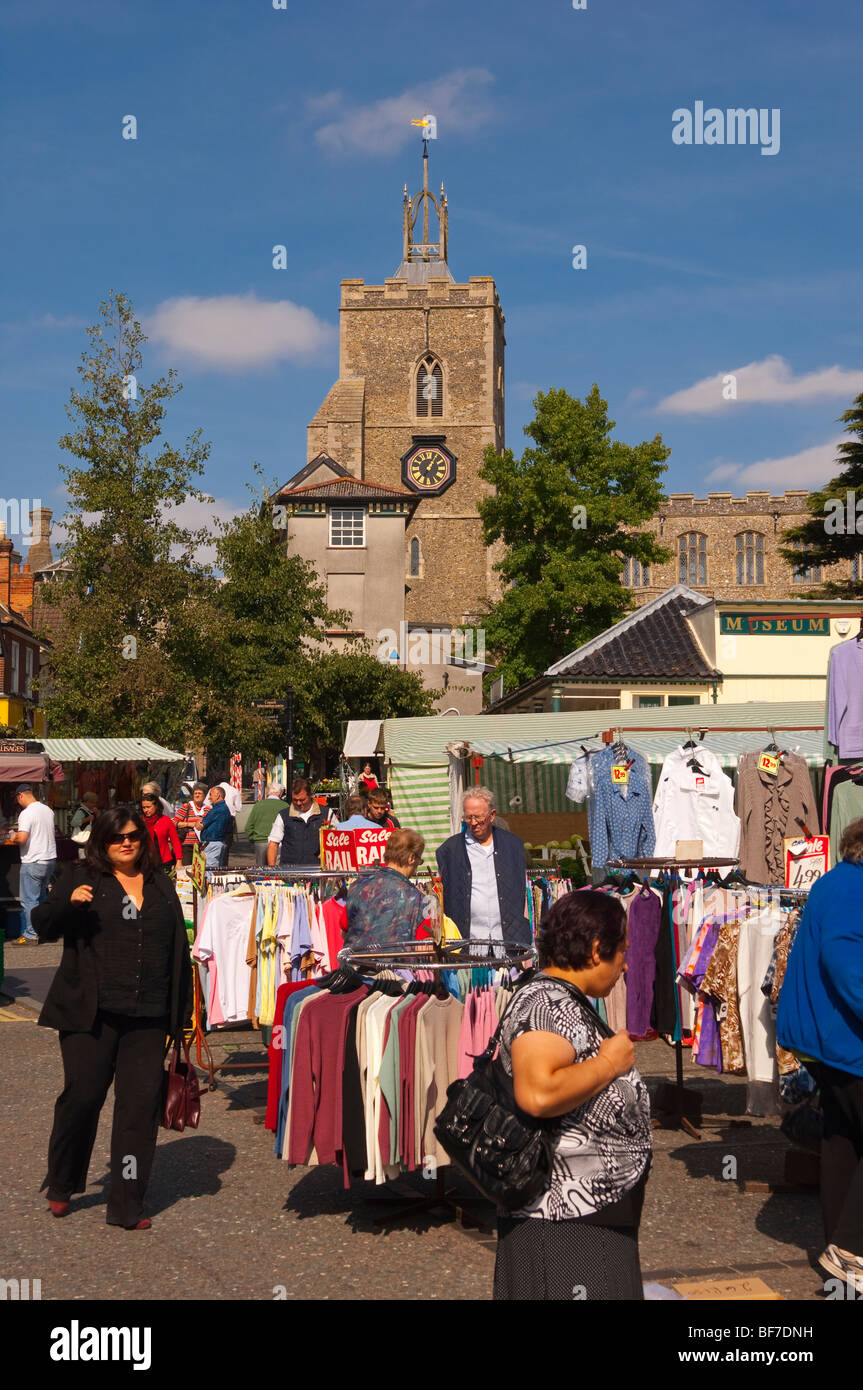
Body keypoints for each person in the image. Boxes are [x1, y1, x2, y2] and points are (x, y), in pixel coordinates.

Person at [32, 805, 193, 1230]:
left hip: (148, 1016)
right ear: (101, 842)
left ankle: (127, 1203)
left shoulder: (161, 884)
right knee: (82, 1099)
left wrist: (184, 1014)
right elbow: (42, 924)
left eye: (134, 836)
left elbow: (178, 950)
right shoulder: (80, 878)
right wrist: (68, 905)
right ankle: (63, 1181)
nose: (126, 843)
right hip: (92, 1016)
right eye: (117, 837)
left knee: (138, 1111)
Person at [494, 890, 652, 1300]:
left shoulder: (559, 999)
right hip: (564, 1228)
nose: (626, 964)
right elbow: (538, 1093)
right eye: (622, 952)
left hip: (583, 1219)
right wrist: (608, 1065)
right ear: (598, 949)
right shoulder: (546, 1002)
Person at [777, 816, 863, 1293]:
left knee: (844, 1138)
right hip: (848, 1038)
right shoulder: (853, 888)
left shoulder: (837, 883)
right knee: (845, 1134)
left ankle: (843, 1259)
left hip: (830, 1040)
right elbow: (847, 961)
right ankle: (851, 1247)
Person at [436, 786, 531, 950]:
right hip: (467, 941)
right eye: (468, 817)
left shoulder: (513, 846)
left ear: (492, 815)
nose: (473, 823)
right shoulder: (449, 850)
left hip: (507, 939)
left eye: (478, 817)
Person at [343, 829, 429, 951]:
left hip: (355, 967)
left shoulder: (356, 886)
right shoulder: (420, 900)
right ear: (411, 858)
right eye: (419, 861)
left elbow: (344, 928)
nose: (416, 867)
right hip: (397, 968)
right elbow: (426, 948)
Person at [10, 784, 57, 944]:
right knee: (41, 898)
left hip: (33, 861)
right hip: (49, 860)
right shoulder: (48, 810)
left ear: (21, 795)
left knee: (29, 900)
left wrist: (12, 836)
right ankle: (43, 931)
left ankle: (31, 934)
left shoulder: (27, 813)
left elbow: (22, 838)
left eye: (17, 799)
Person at [267, 778, 325, 867]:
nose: (298, 803)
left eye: (302, 800)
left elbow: (338, 843)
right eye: (295, 800)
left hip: (318, 871)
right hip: (289, 872)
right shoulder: (284, 815)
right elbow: (273, 844)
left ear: (310, 796)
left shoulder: (326, 813)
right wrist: (271, 871)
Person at [244, 783, 290, 866]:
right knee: (276, 870)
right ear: (280, 793)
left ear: (267, 792)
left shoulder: (258, 805)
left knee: (261, 870)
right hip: (278, 844)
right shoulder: (285, 806)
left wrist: (254, 839)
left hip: (260, 842)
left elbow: (248, 827)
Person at [140, 790, 183, 872]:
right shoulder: (140, 821)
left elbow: (175, 841)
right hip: (145, 861)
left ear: (156, 806)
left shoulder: (166, 820)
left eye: (148, 807)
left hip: (164, 861)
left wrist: (179, 860)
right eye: (144, 807)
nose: (146, 810)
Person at [173, 781, 208, 867]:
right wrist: (190, 824)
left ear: (204, 795)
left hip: (202, 846)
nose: (197, 795)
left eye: (199, 793)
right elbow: (173, 823)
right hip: (186, 846)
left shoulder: (208, 809)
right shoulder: (186, 807)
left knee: (199, 872)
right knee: (186, 870)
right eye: (195, 793)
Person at [199, 786, 232, 870]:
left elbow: (200, 825)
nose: (209, 798)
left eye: (211, 795)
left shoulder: (217, 810)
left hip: (213, 844)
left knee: (210, 871)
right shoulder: (223, 809)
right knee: (214, 869)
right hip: (217, 843)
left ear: (217, 795)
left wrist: (196, 823)